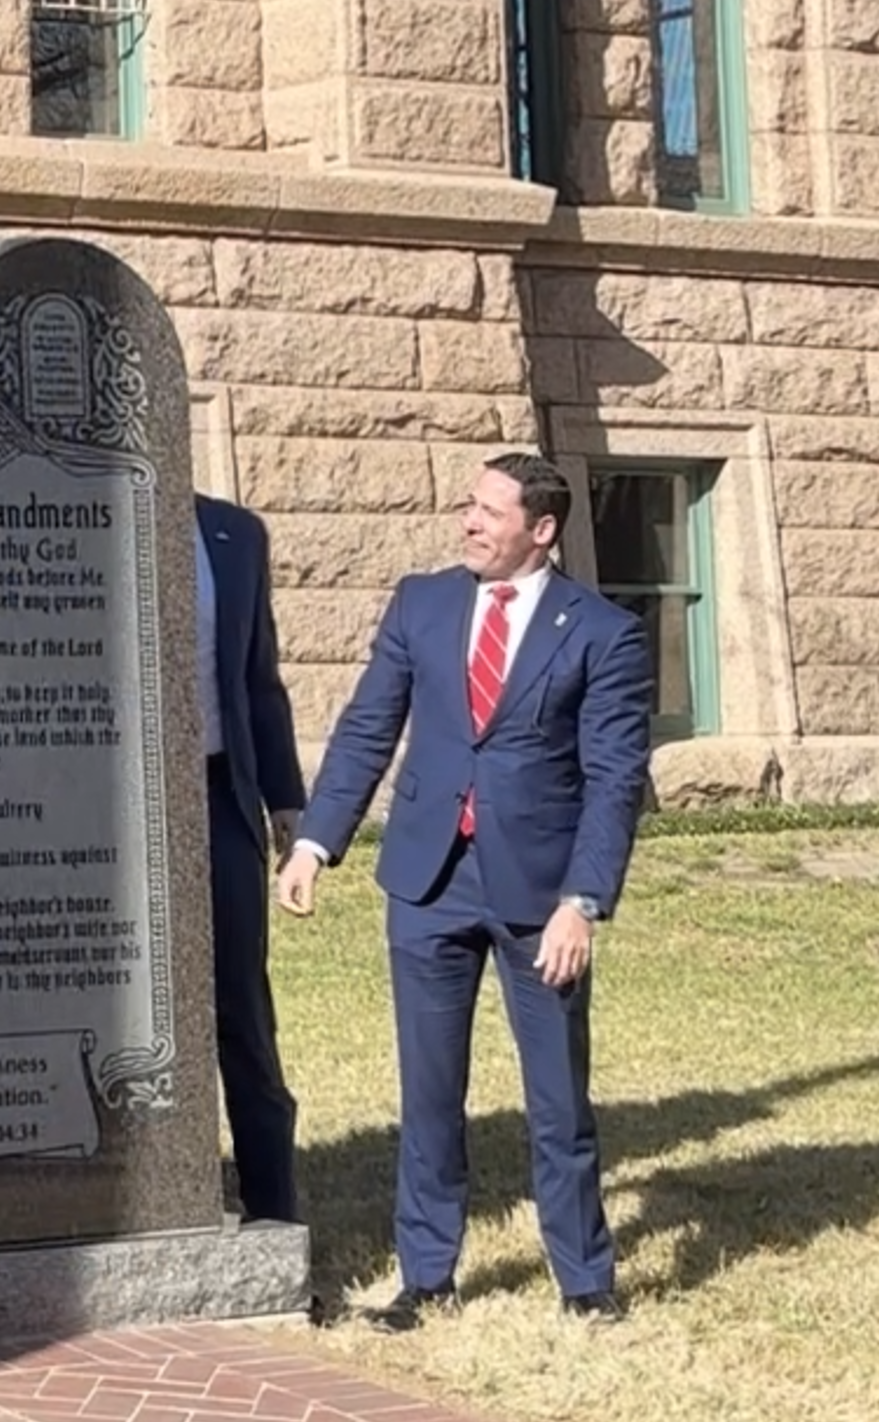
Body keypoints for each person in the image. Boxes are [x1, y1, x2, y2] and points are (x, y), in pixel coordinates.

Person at [274, 452, 650, 1333]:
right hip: (427, 881)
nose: (469, 522)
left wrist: (582, 901)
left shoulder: (603, 633)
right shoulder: (423, 603)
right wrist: (315, 843)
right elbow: (368, 728)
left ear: (542, 529)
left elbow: (614, 780)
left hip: (541, 897)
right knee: (429, 1094)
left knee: (557, 1101)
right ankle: (426, 1279)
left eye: (489, 511)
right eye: (468, 506)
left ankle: (585, 1282)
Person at [190, 493, 307, 1224]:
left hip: (217, 793)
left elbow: (260, 680)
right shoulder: (73, 506)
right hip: (103, 801)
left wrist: (283, 795)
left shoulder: (235, 533)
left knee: (241, 1001)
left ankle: (272, 1205)